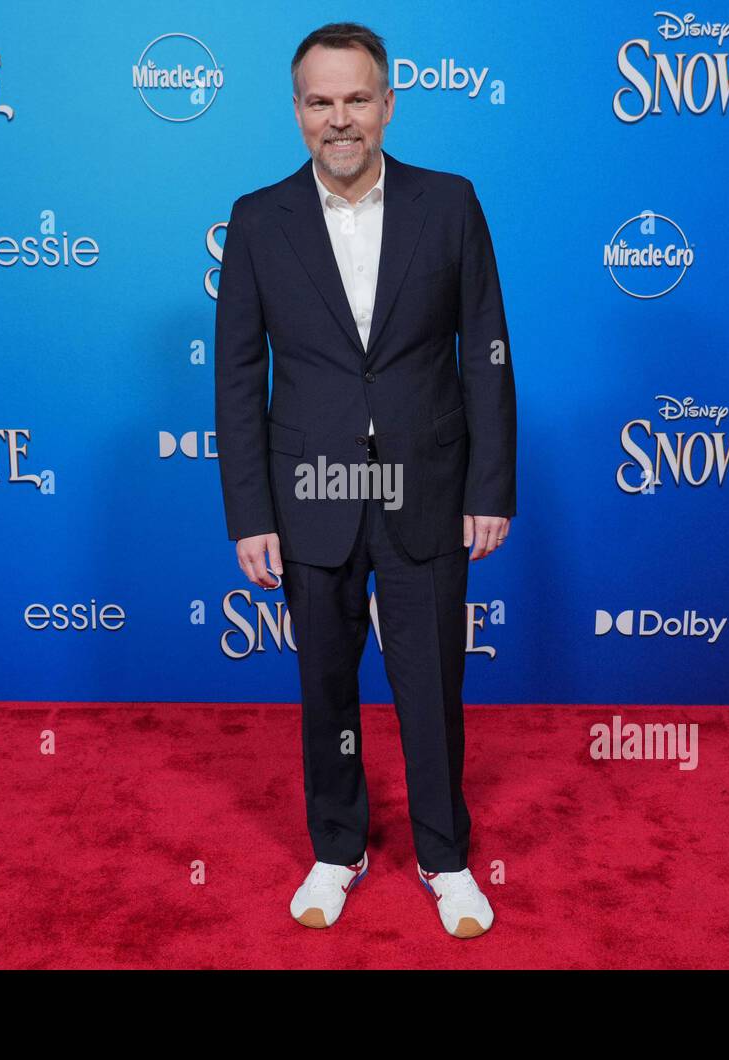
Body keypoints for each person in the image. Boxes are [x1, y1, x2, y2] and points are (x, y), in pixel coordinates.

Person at [213, 22, 516, 938]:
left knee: (432, 683)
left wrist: (490, 489)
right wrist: (250, 511)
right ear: (298, 111)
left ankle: (445, 855)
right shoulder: (259, 218)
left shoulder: (450, 202)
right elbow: (236, 377)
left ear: (387, 104)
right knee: (326, 688)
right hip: (310, 489)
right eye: (319, 101)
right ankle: (337, 847)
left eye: (355, 99)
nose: (338, 119)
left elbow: (488, 356)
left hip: (428, 482)